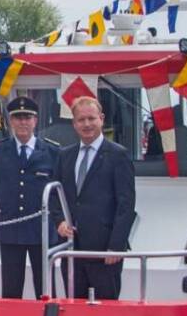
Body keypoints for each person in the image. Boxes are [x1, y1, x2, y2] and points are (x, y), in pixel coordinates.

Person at [53, 97, 136, 301]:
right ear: (74, 124)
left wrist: (116, 247)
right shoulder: (65, 156)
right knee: (74, 309)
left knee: (106, 310)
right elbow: (56, 195)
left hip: (105, 251)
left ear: (101, 119)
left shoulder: (118, 155)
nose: (87, 124)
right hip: (72, 250)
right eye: (81, 120)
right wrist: (60, 222)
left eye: (91, 118)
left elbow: (126, 205)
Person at [0, 96, 59, 299]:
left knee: (46, 290)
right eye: (18, 117)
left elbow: (56, 192)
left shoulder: (52, 152)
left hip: (41, 229)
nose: (23, 122)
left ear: (35, 121)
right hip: (10, 227)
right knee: (11, 290)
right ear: (11, 121)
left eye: (27, 117)